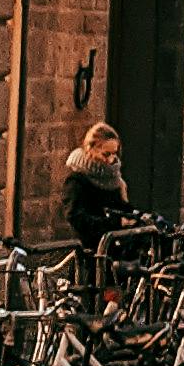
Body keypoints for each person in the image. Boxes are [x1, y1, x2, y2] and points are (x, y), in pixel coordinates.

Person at [57, 122, 131, 292]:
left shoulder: (115, 180)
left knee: (117, 300)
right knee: (95, 303)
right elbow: (76, 217)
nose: (111, 160)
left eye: (114, 154)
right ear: (90, 149)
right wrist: (116, 224)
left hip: (114, 256)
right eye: (106, 154)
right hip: (89, 259)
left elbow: (122, 208)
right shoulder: (77, 181)